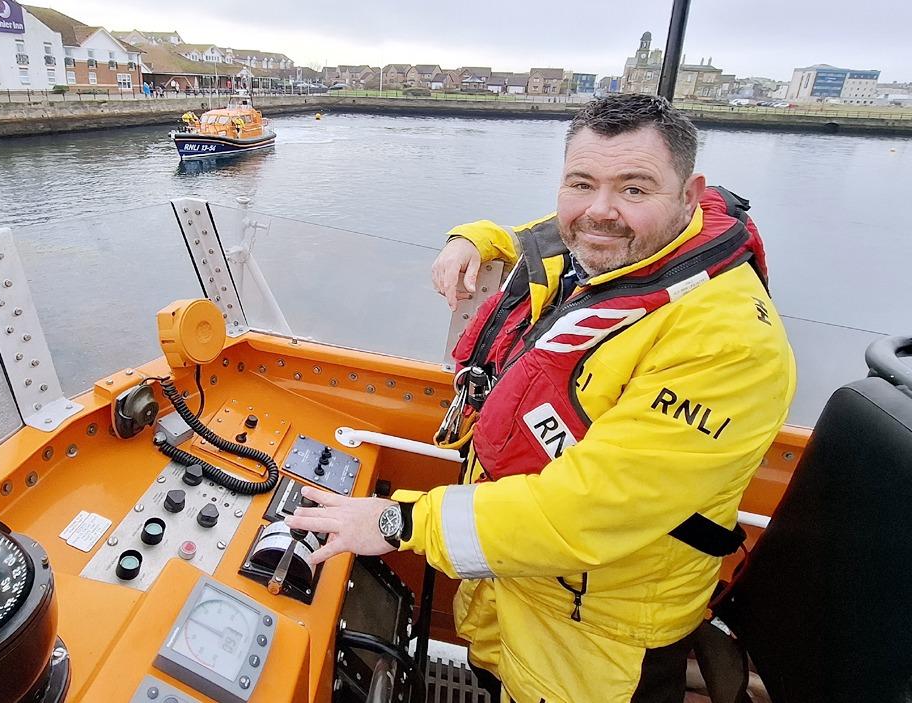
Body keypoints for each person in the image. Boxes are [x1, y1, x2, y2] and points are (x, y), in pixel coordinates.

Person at [285, 94, 796, 703]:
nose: (600, 211)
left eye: (635, 188)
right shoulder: (611, 254)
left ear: (689, 195)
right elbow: (539, 239)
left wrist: (400, 521)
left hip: (599, 643)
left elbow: (593, 507)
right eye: (581, 182)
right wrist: (471, 239)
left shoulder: (732, 343)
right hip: (516, 590)